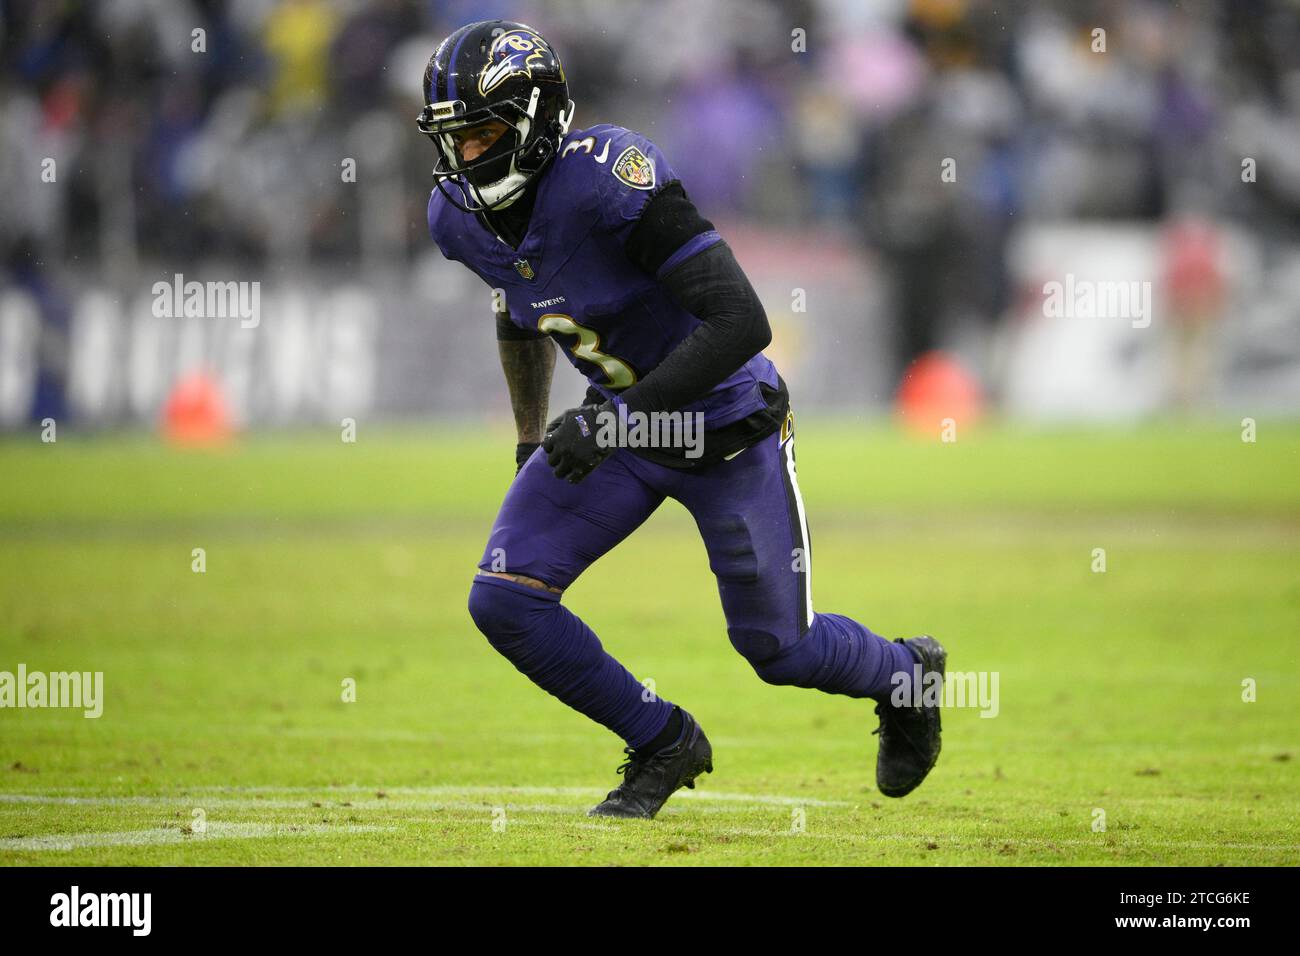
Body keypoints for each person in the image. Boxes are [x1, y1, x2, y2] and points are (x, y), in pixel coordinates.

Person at [418, 19, 945, 819]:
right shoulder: (457, 217)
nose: (464, 159)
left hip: (725, 426)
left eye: (482, 134)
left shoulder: (607, 179)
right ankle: (663, 739)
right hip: (622, 431)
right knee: (505, 597)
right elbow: (518, 309)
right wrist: (531, 435)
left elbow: (740, 321)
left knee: (781, 649)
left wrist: (615, 422)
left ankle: (908, 673)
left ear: (535, 121)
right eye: (453, 140)